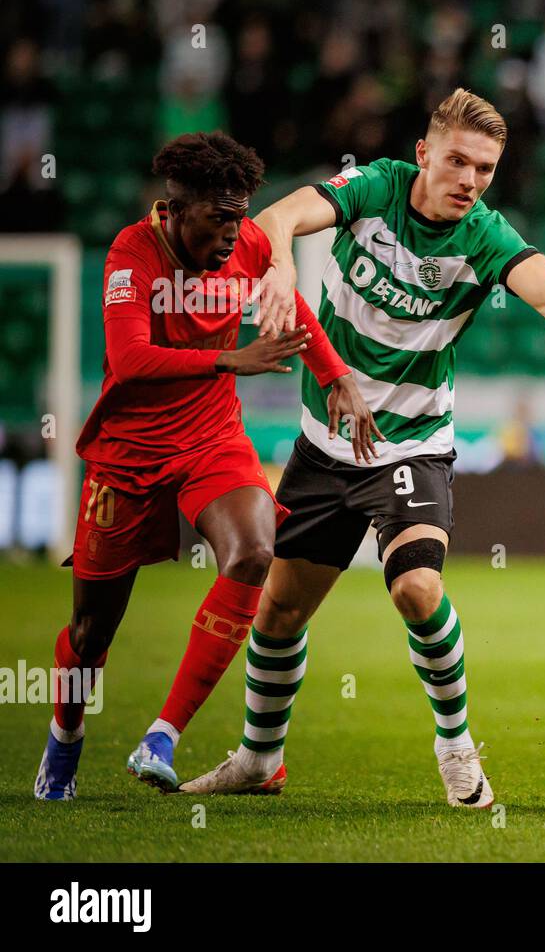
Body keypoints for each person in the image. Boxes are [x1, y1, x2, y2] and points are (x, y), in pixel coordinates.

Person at [180, 88, 545, 809]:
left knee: (415, 587)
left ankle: (456, 744)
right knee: (278, 614)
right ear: (423, 156)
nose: (470, 181)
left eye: (486, 169)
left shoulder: (486, 237)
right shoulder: (374, 189)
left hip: (411, 446)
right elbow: (279, 216)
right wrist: (279, 264)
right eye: (459, 162)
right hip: (323, 442)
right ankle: (259, 757)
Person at [35, 131, 375, 799]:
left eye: (241, 214)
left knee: (253, 552)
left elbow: (292, 309)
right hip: (128, 455)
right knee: (90, 629)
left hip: (211, 438)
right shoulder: (132, 254)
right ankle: (65, 738)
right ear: (176, 207)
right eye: (219, 216)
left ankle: (162, 734)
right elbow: (130, 361)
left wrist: (336, 375)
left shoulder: (243, 242)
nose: (234, 231)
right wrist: (230, 359)